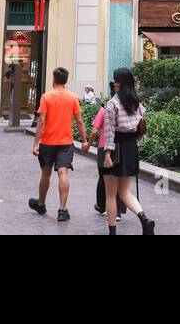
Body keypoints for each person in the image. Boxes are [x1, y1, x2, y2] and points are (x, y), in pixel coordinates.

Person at [29, 67, 88, 222]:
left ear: (53, 80)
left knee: (46, 174)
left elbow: (41, 121)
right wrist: (85, 140)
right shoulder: (73, 97)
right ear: (66, 81)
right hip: (65, 142)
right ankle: (62, 210)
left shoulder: (46, 97)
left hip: (48, 142)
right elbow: (79, 121)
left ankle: (41, 204)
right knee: (63, 173)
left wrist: (36, 143)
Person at [100, 68, 154, 235]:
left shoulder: (112, 104)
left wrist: (107, 154)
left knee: (110, 194)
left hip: (115, 147)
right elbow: (142, 128)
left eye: (114, 79)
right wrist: (135, 143)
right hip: (131, 147)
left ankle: (112, 231)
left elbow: (109, 132)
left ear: (118, 83)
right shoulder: (138, 105)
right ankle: (144, 218)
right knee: (125, 191)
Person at [89, 101, 125, 222]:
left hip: (104, 147)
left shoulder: (104, 110)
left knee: (103, 178)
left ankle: (102, 206)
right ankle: (118, 212)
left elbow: (94, 131)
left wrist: (88, 144)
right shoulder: (125, 109)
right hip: (121, 147)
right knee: (119, 178)